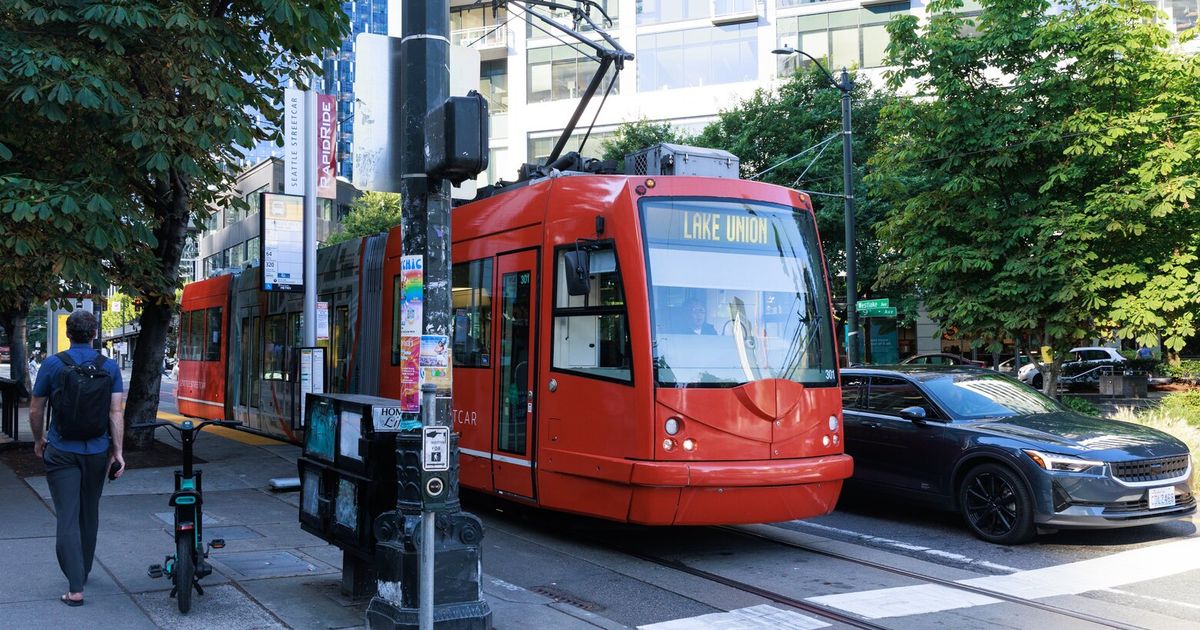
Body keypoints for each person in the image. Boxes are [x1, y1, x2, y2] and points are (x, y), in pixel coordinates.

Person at [28, 311, 125, 607]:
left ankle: (75, 587)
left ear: (68, 334)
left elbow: (35, 409)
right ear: (94, 333)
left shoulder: (52, 364)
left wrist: (38, 439)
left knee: (67, 516)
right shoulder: (109, 367)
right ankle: (83, 568)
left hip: (61, 449)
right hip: (96, 451)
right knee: (89, 511)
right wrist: (117, 452)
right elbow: (115, 412)